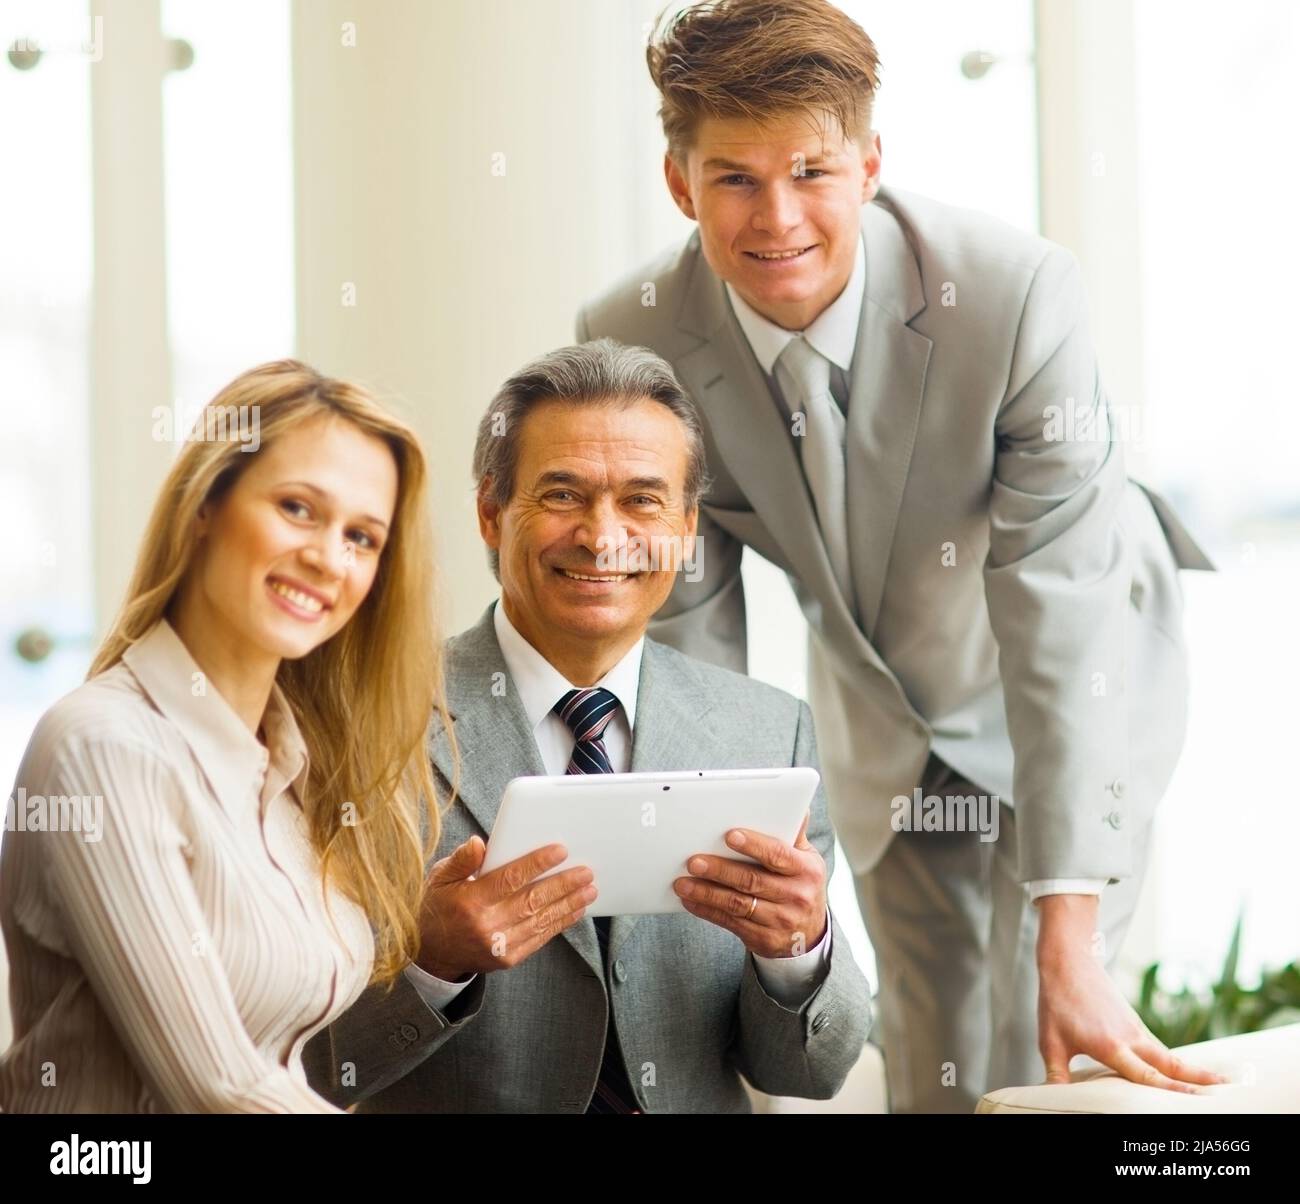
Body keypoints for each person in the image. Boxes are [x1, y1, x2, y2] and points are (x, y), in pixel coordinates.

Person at [576, 0, 1224, 1111]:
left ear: (870, 161)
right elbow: (682, 639)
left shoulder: (1016, 297)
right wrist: (716, 879)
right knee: (929, 1052)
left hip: (1071, 670)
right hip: (880, 700)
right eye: (733, 178)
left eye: (811, 172)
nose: (775, 218)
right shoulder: (632, 336)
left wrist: (1069, 927)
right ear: (680, 184)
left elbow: (1056, 618)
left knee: (1038, 1031)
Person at [304, 339, 872, 1113]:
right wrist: (430, 964)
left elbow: (809, 1074)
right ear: (491, 513)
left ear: (685, 526)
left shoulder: (770, 731)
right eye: (563, 495)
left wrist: (799, 952)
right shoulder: (360, 725)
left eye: (642, 499)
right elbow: (306, 1066)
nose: (603, 538)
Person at [0, 360, 452, 1112]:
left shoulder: (299, 764)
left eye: (362, 537)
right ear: (207, 503)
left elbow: (288, 1055)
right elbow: (220, 1087)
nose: (326, 557)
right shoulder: (103, 748)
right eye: (298, 508)